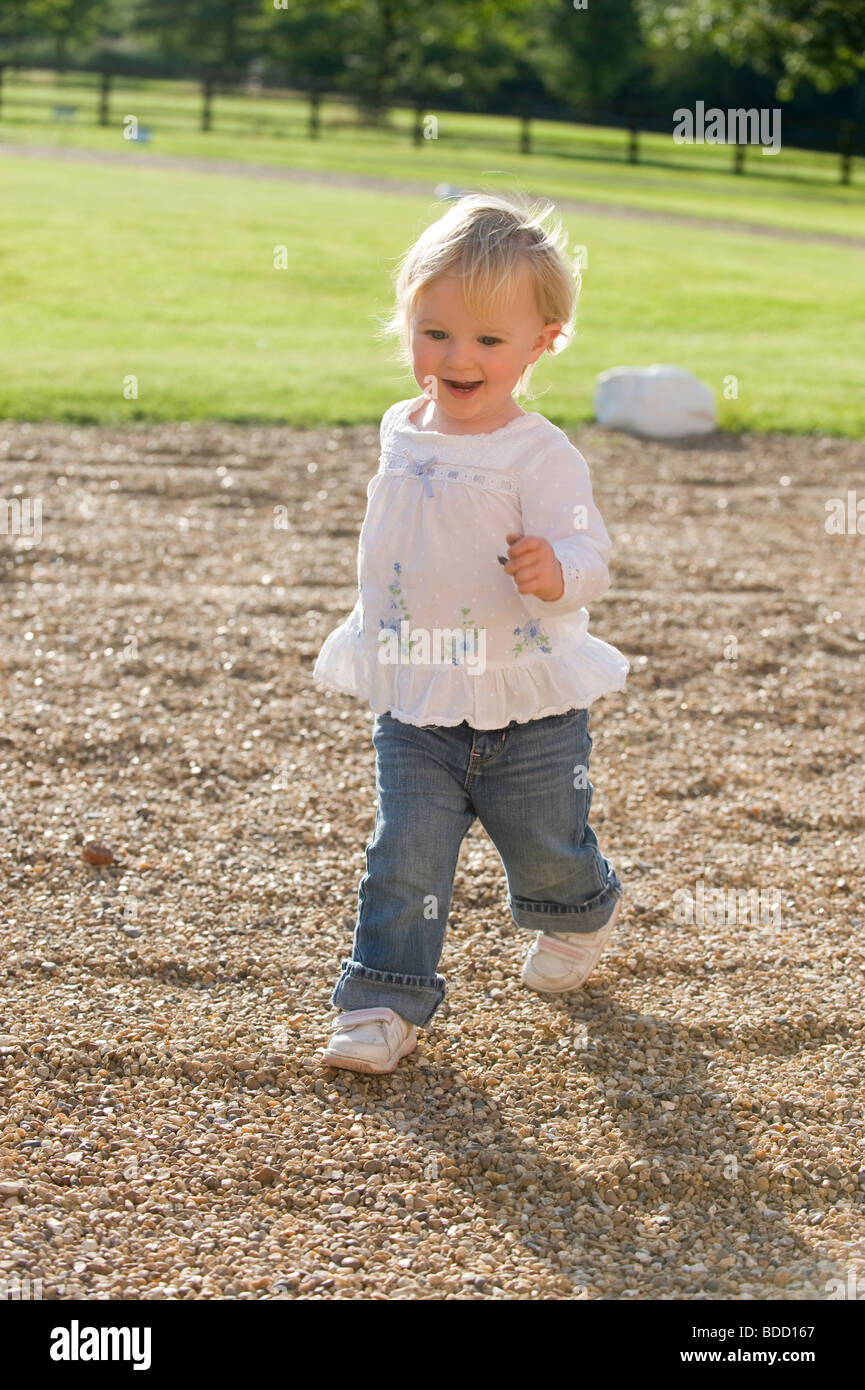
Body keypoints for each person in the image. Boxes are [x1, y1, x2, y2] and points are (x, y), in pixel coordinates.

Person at [312, 191, 629, 1074]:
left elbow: (590, 551)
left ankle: (582, 910)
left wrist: (554, 570)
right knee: (404, 853)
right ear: (406, 319)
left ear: (543, 342)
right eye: (435, 331)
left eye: (489, 341)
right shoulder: (398, 430)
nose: (458, 358)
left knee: (545, 846)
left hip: (523, 701)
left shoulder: (539, 454)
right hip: (419, 690)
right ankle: (381, 998)